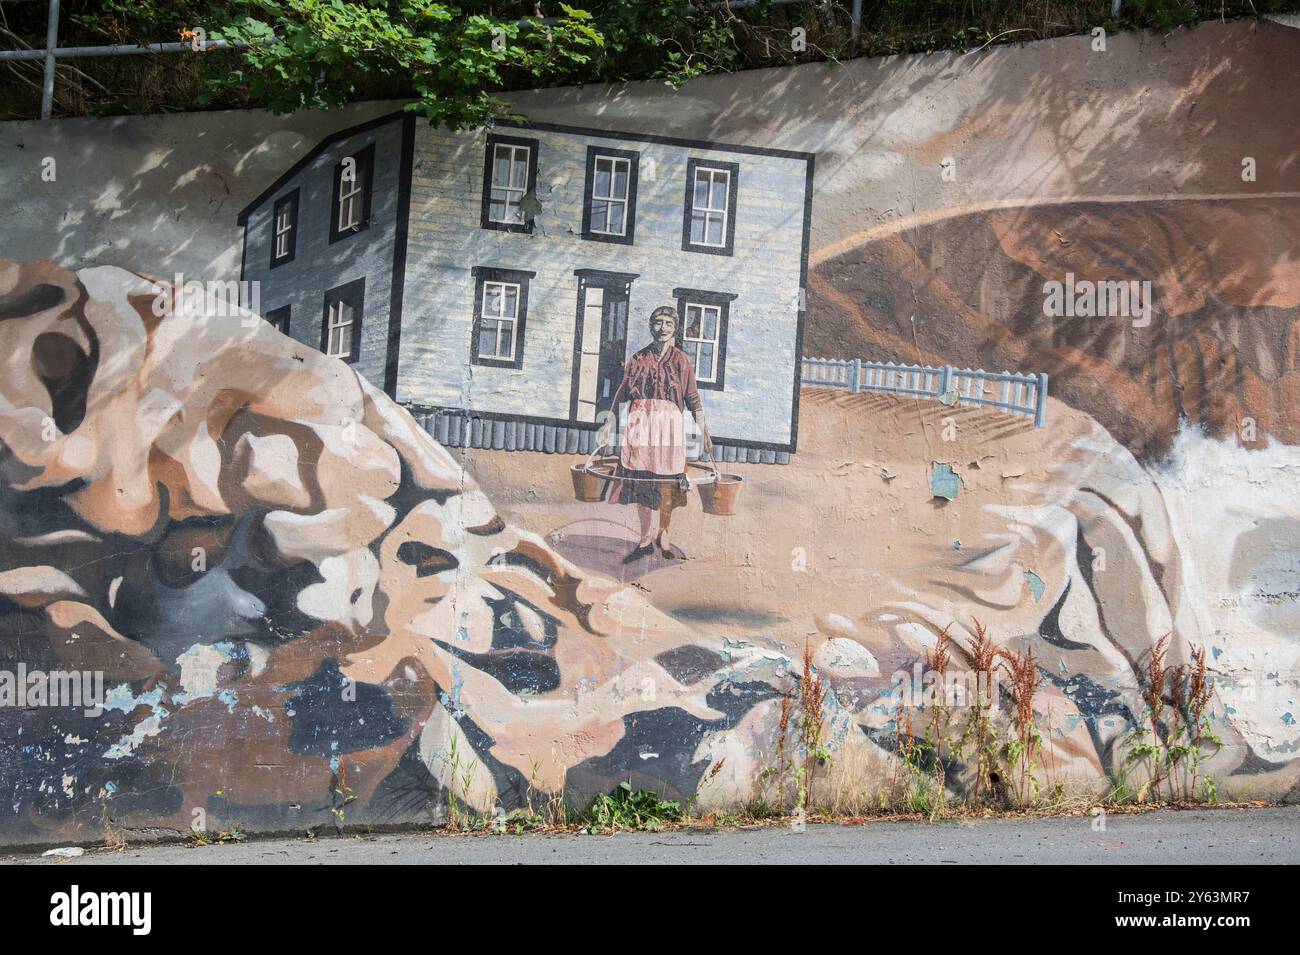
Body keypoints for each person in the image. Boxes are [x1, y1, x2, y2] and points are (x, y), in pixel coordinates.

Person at [597, 305, 714, 563]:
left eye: (668, 324)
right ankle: (645, 539)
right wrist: (608, 424)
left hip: (670, 429)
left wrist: (703, 428)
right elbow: (620, 393)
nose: (662, 328)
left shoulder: (681, 361)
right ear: (651, 326)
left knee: (668, 485)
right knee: (642, 483)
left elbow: (693, 397)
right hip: (641, 426)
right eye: (658, 323)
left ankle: (664, 533)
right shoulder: (638, 359)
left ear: (675, 329)